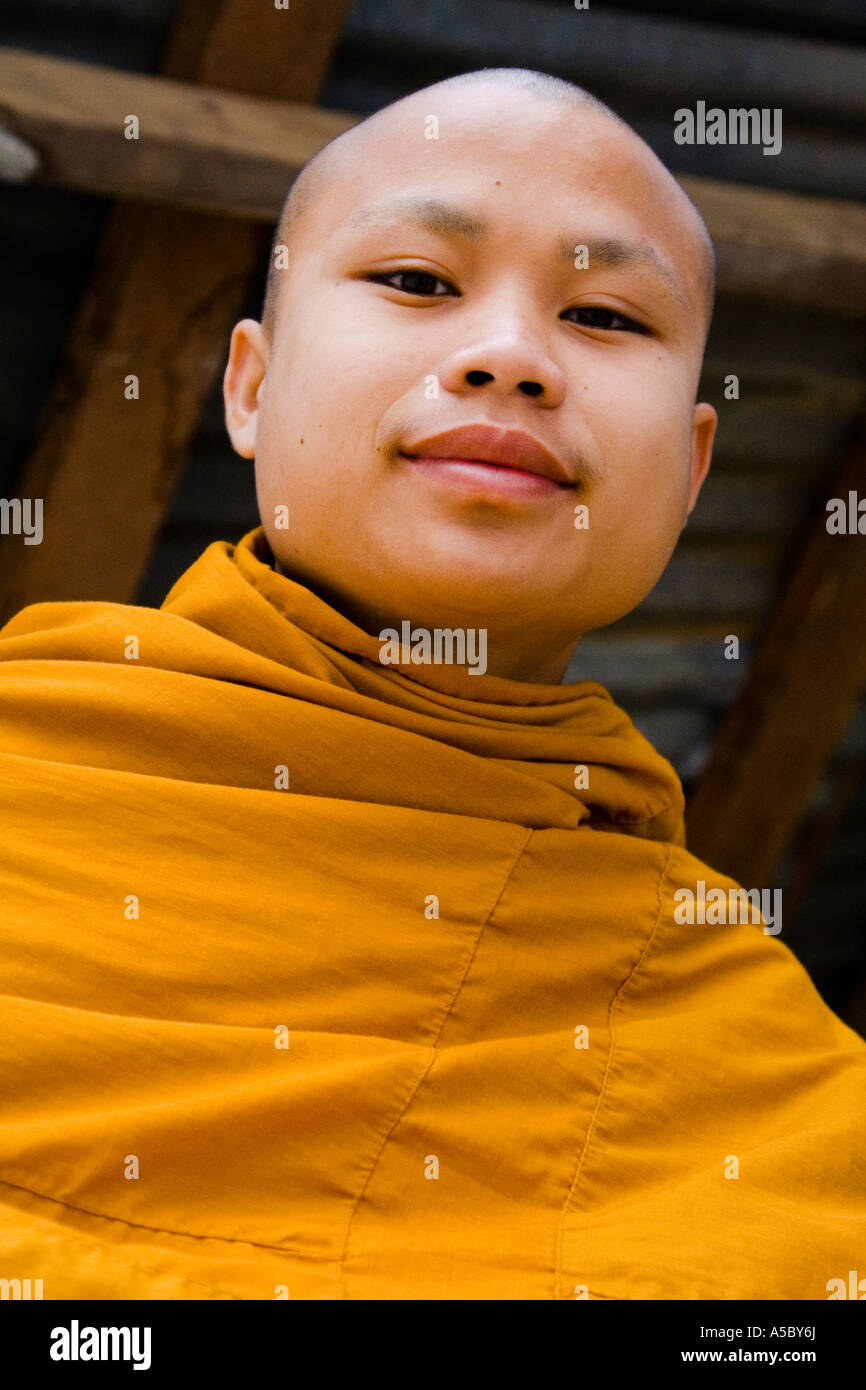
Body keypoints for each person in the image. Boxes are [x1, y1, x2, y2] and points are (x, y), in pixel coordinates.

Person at [0, 67, 862, 1301]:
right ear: (248, 386)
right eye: (416, 281)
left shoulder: (754, 1064)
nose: (509, 358)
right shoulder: (24, 752)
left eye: (607, 316)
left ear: (686, 469)